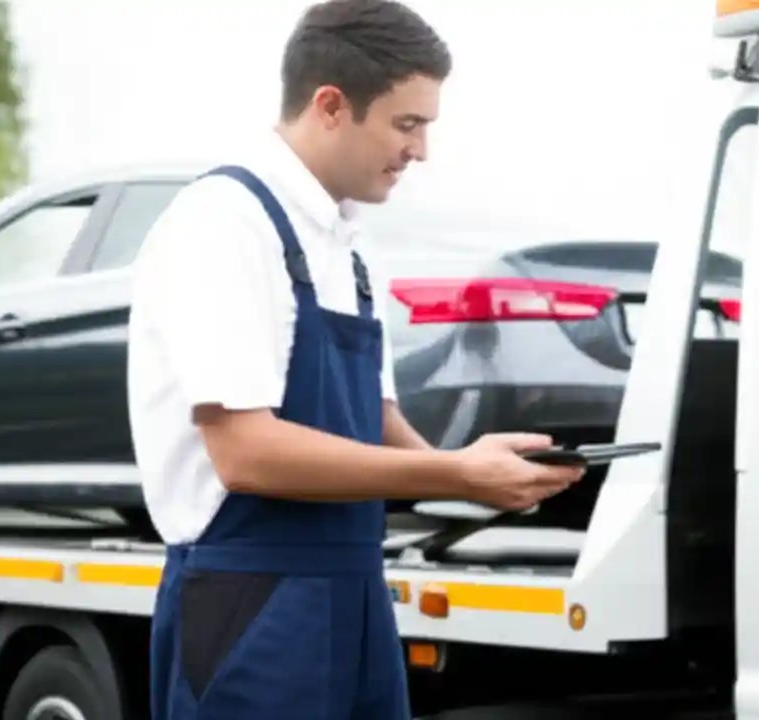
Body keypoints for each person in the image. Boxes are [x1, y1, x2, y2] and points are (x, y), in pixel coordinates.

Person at [125, 1, 585, 718]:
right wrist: (452, 472)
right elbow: (246, 452)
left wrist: (474, 473)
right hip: (252, 603)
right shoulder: (225, 223)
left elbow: (371, 417)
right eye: (408, 124)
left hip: (355, 591)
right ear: (331, 106)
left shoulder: (347, 240)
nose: (422, 150)